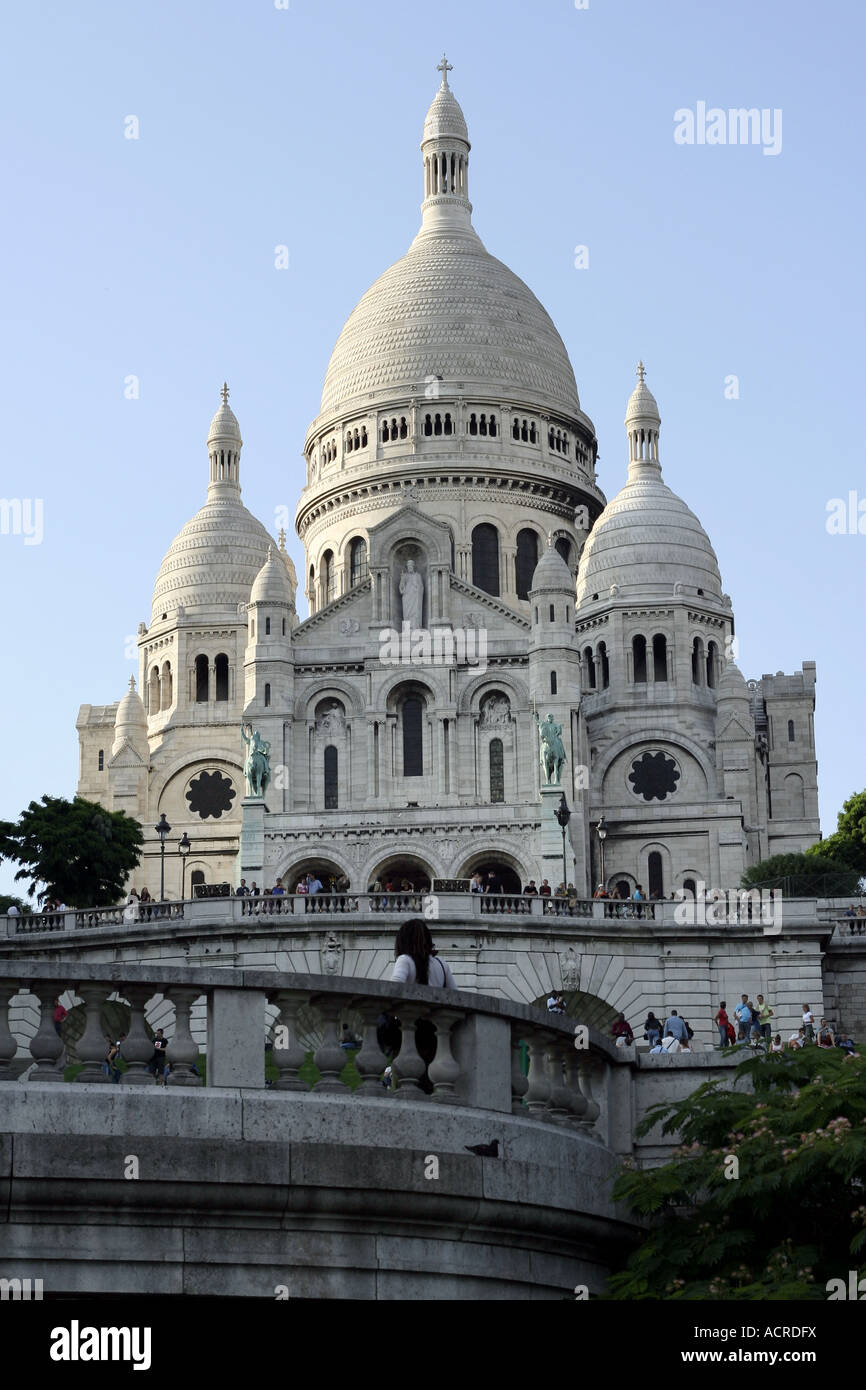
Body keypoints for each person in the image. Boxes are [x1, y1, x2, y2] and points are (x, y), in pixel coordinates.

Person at [391, 919, 456, 1094]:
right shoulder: (442, 964)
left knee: (405, 1083)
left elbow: (393, 989)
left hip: (410, 1031)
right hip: (435, 1034)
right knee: (428, 1084)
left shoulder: (405, 960)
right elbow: (455, 996)